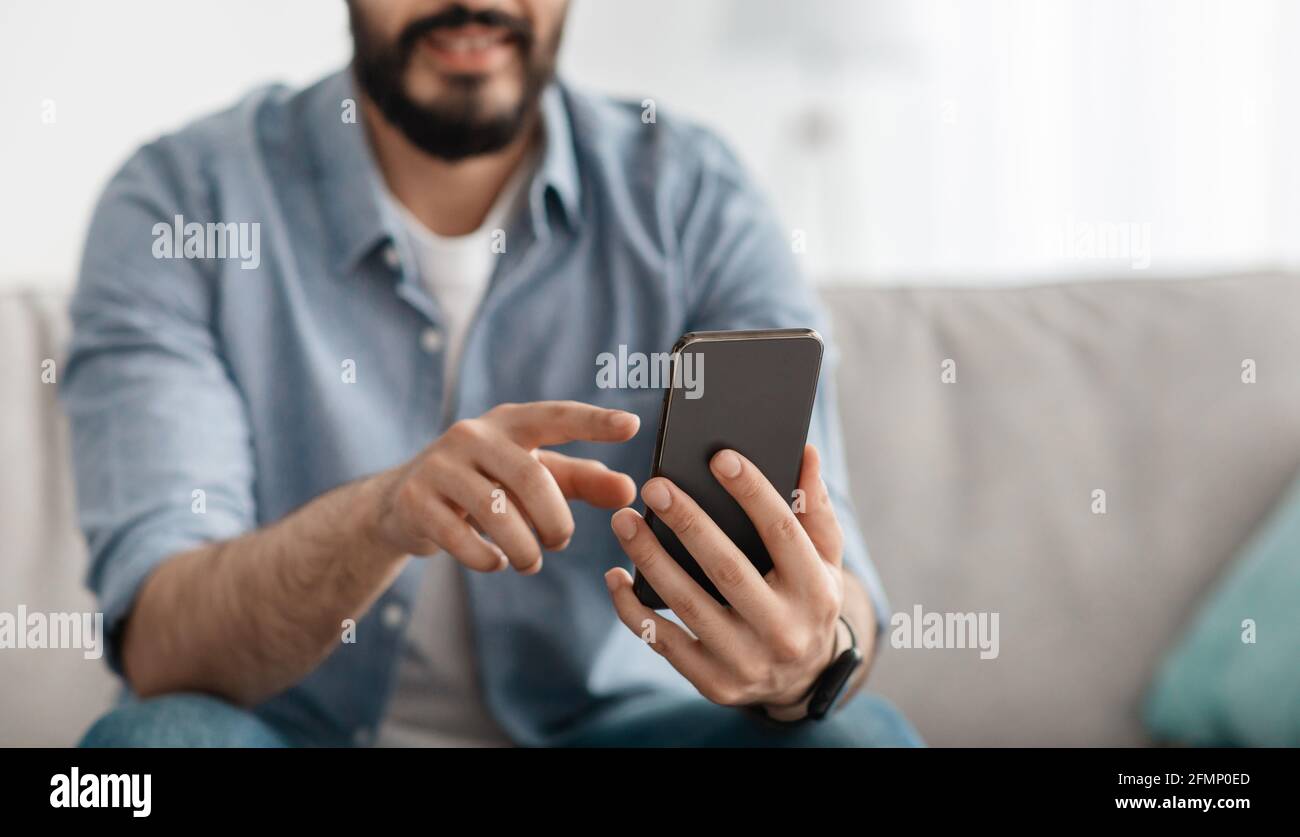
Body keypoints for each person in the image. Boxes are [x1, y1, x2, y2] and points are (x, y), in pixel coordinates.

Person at [65, 0, 920, 747]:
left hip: (625, 727)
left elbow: (841, 593)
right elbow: (160, 643)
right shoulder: (180, 204)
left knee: (860, 734)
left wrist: (811, 653)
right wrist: (379, 517)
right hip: (284, 731)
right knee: (148, 745)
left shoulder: (694, 194)